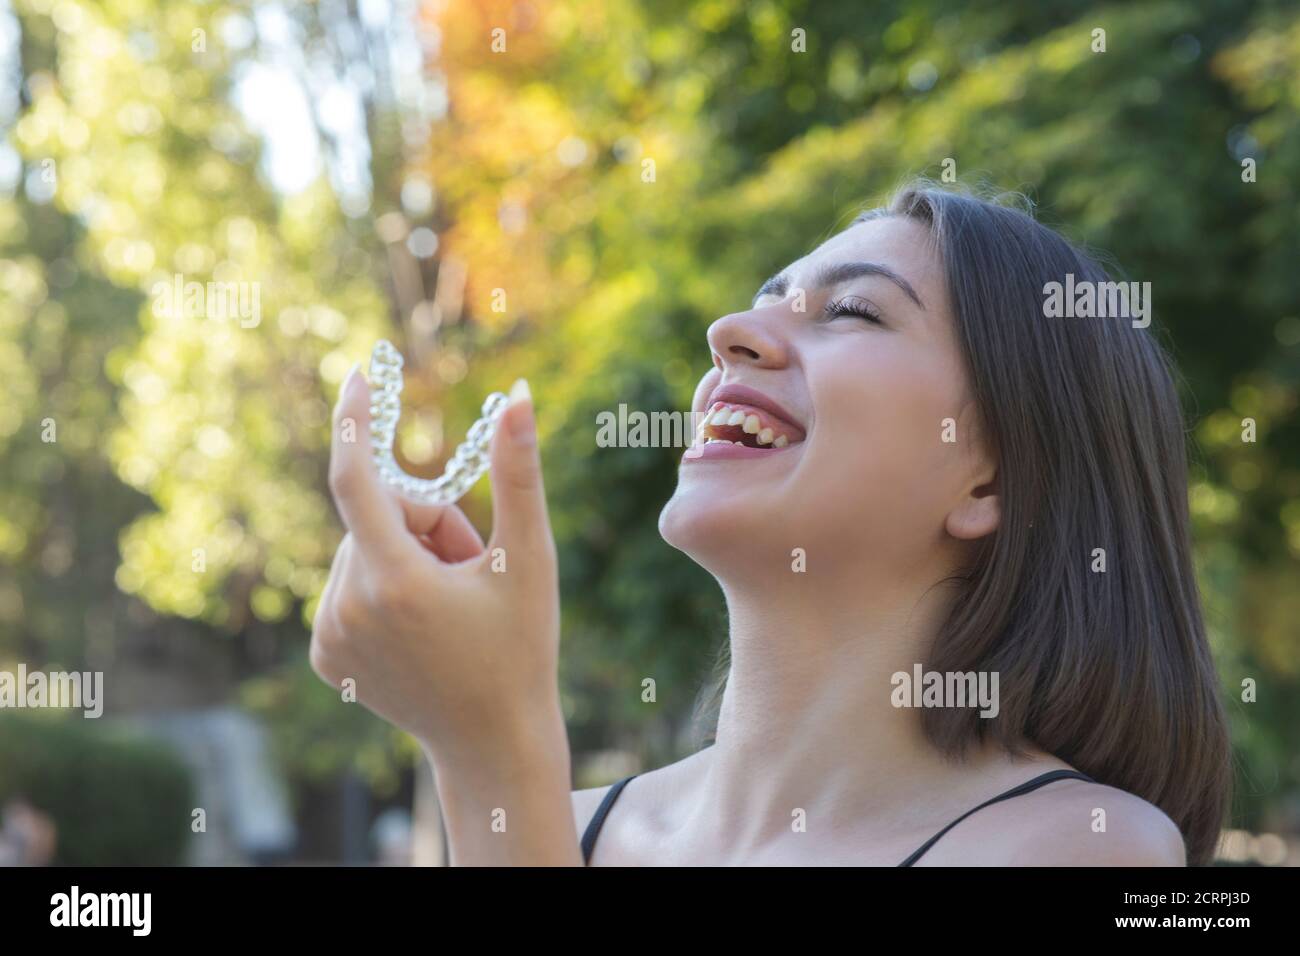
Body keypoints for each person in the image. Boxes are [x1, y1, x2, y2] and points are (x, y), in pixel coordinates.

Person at [309, 180, 1231, 866]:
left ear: (991, 482)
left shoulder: (1086, 849)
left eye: (853, 311)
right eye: (766, 296)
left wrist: (486, 753)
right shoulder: (566, 825)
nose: (729, 331)